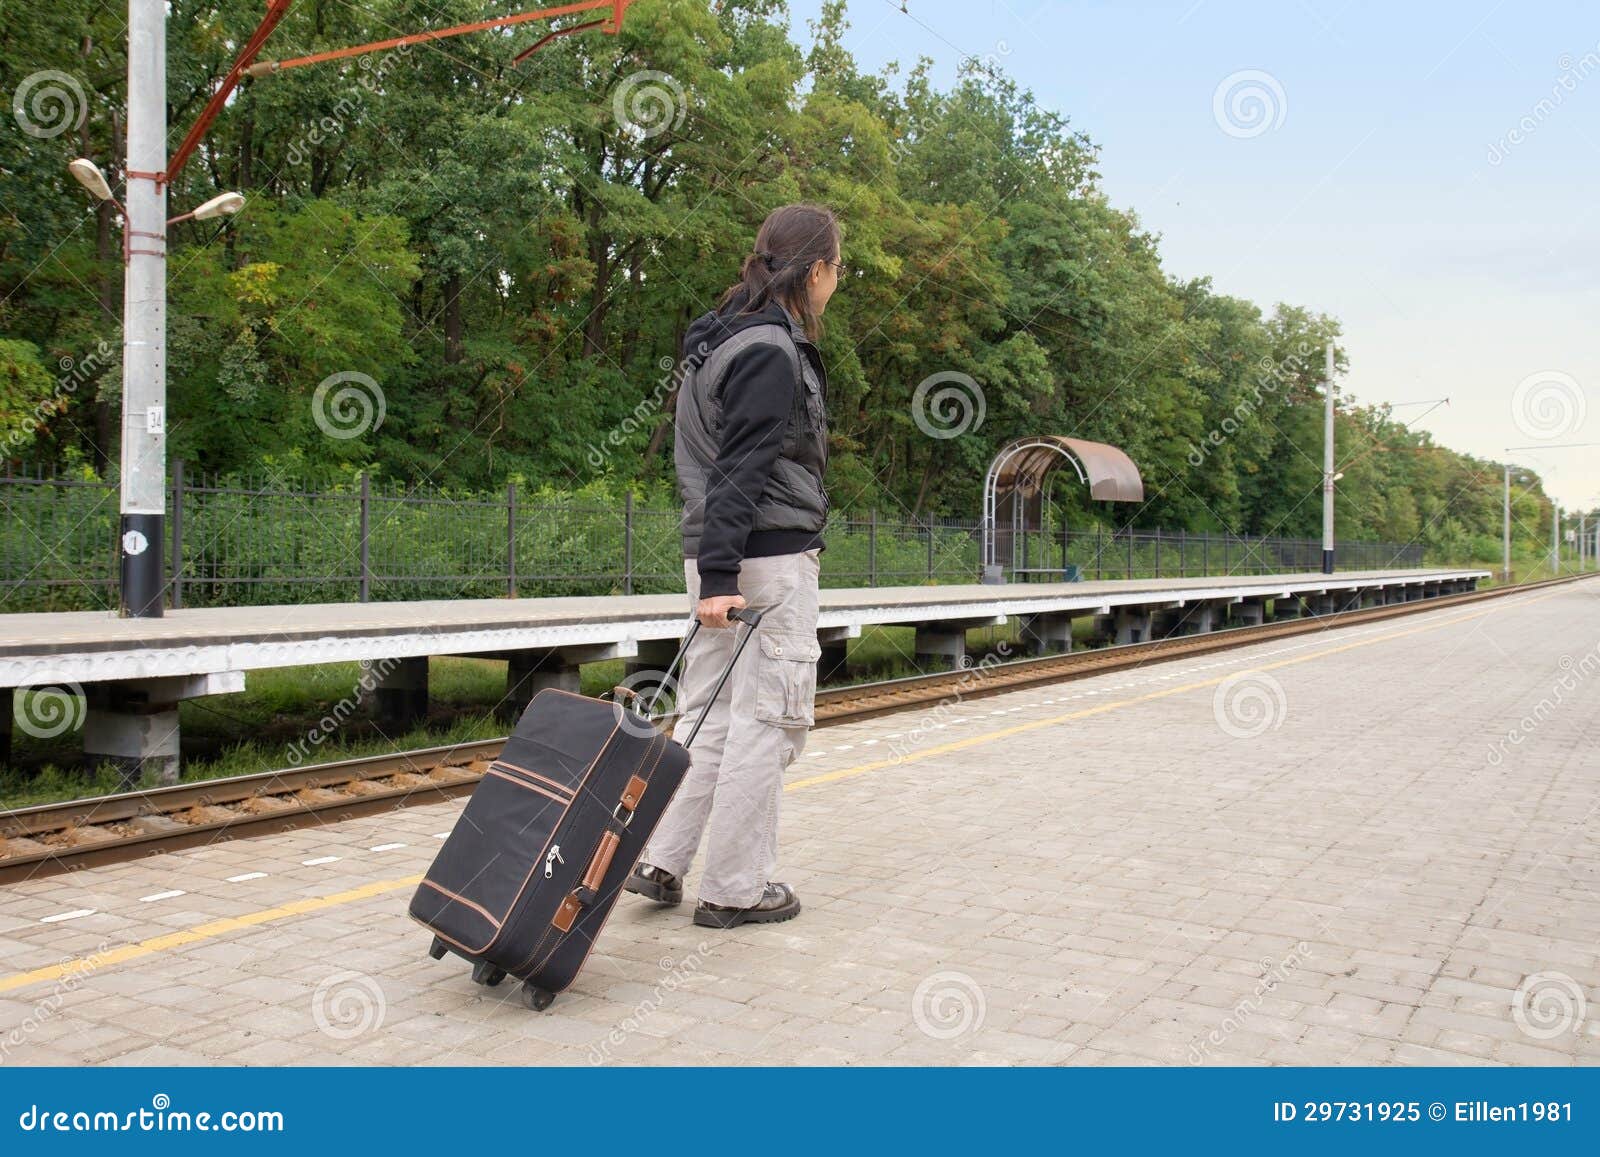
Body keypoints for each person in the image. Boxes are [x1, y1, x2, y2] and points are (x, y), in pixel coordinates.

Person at [625, 202, 842, 929]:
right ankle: (736, 888)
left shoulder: (715, 341)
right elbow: (741, 471)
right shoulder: (769, 352)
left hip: (715, 559)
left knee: (707, 714)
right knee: (768, 721)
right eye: (838, 269)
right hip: (763, 565)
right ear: (815, 270)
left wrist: (710, 573)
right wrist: (723, 578)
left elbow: (711, 464)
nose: (836, 282)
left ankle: (662, 859)